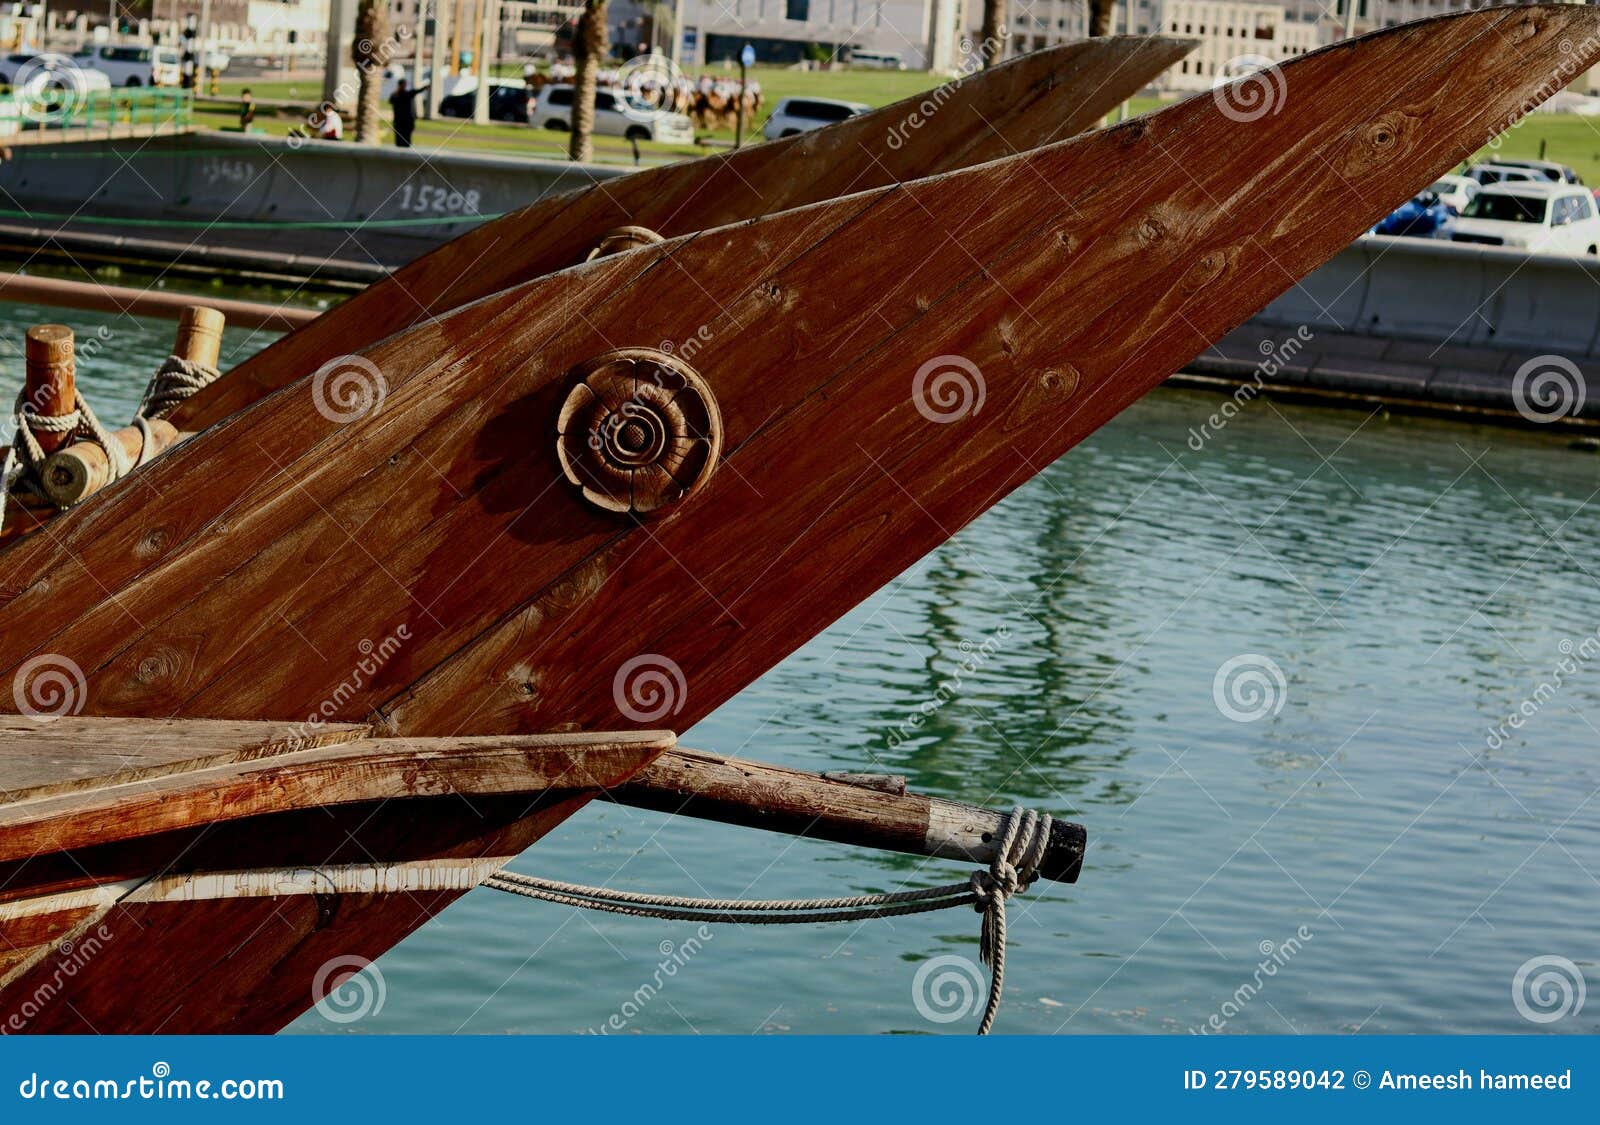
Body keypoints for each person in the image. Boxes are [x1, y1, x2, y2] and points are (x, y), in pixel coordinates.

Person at [389, 78, 416, 148]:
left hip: (406, 121)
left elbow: (415, 92)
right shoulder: (398, 94)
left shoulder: (402, 94)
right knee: (400, 139)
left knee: (406, 139)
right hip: (400, 121)